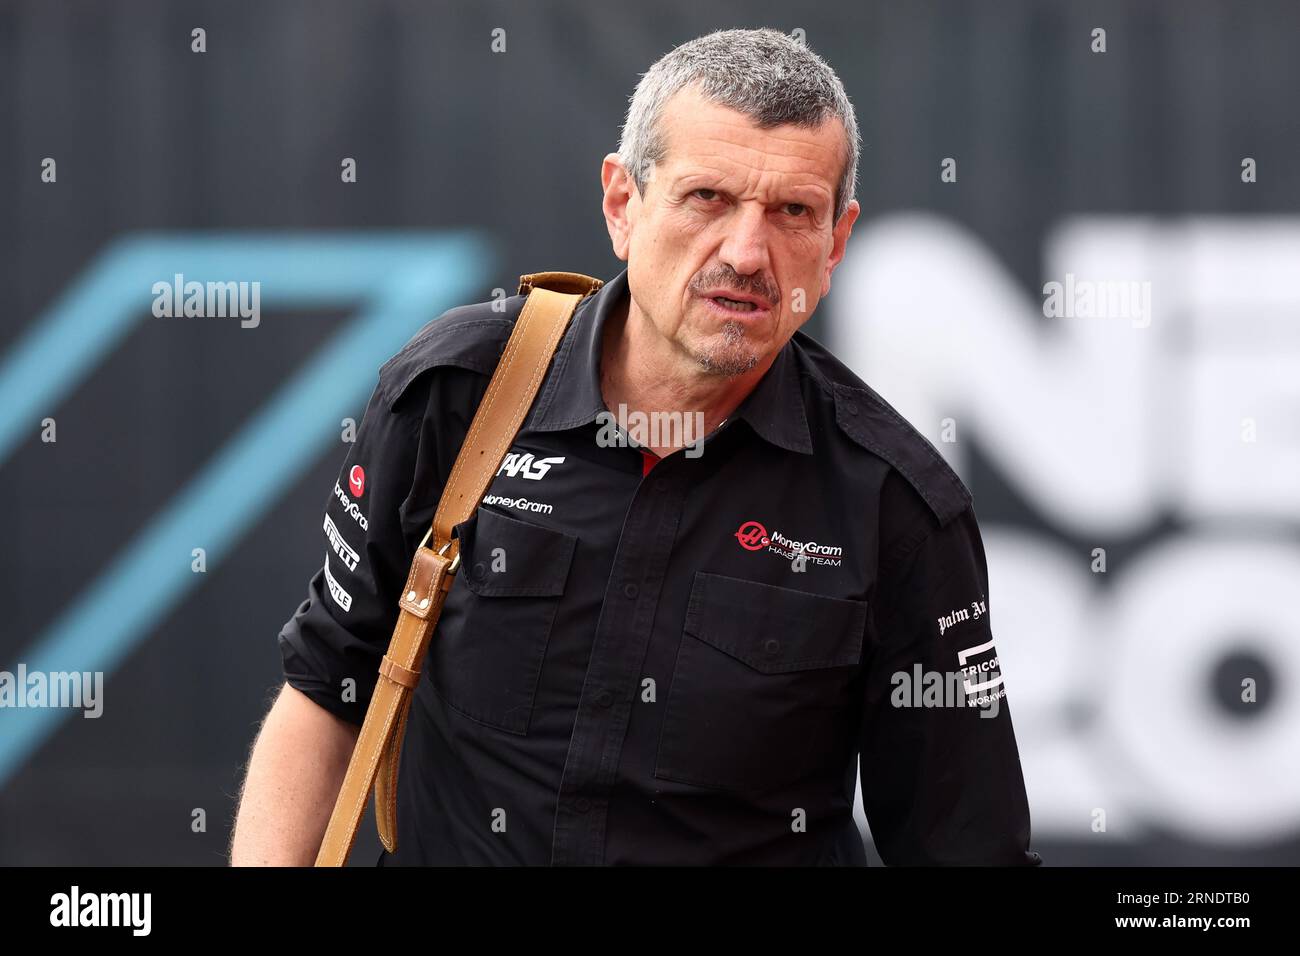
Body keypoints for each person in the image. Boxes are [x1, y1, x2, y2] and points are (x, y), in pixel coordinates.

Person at [231, 26, 1041, 866]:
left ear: (834, 243)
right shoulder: (459, 390)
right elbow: (328, 691)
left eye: (793, 212)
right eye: (708, 199)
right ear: (623, 204)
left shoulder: (897, 503)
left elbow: (968, 846)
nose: (746, 252)